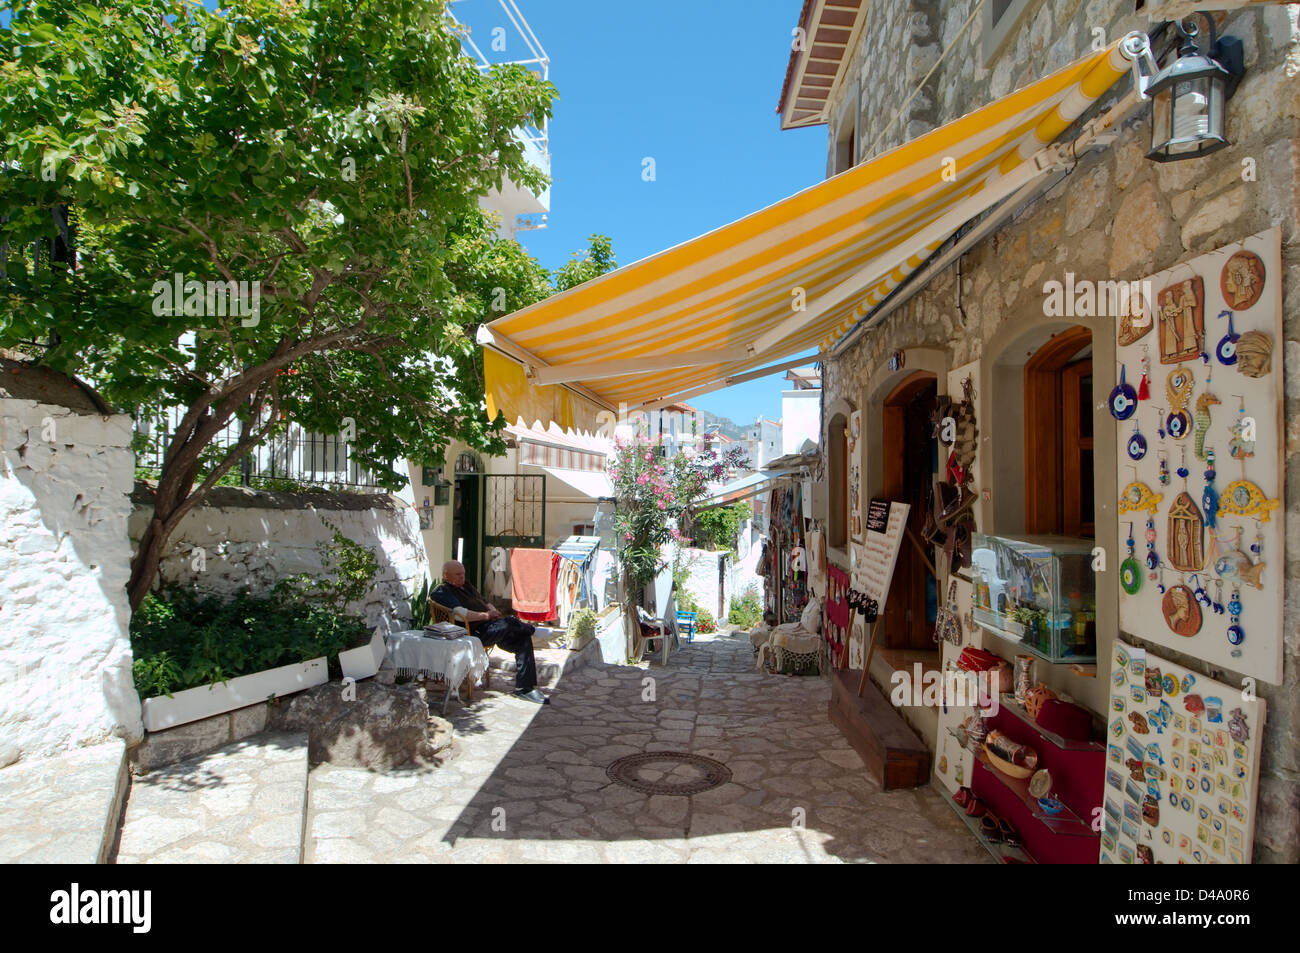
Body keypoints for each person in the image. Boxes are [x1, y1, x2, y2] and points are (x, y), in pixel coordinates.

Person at [431, 560, 549, 705]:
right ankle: (533, 630)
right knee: (510, 622)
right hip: (471, 634)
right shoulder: (442, 591)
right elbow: (461, 614)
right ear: (446, 575)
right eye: (458, 574)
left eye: (463, 574)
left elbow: (484, 602)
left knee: (522, 639)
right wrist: (486, 616)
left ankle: (525, 688)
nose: (462, 577)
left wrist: (492, 611)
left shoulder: (466, 586)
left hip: (489, 628)